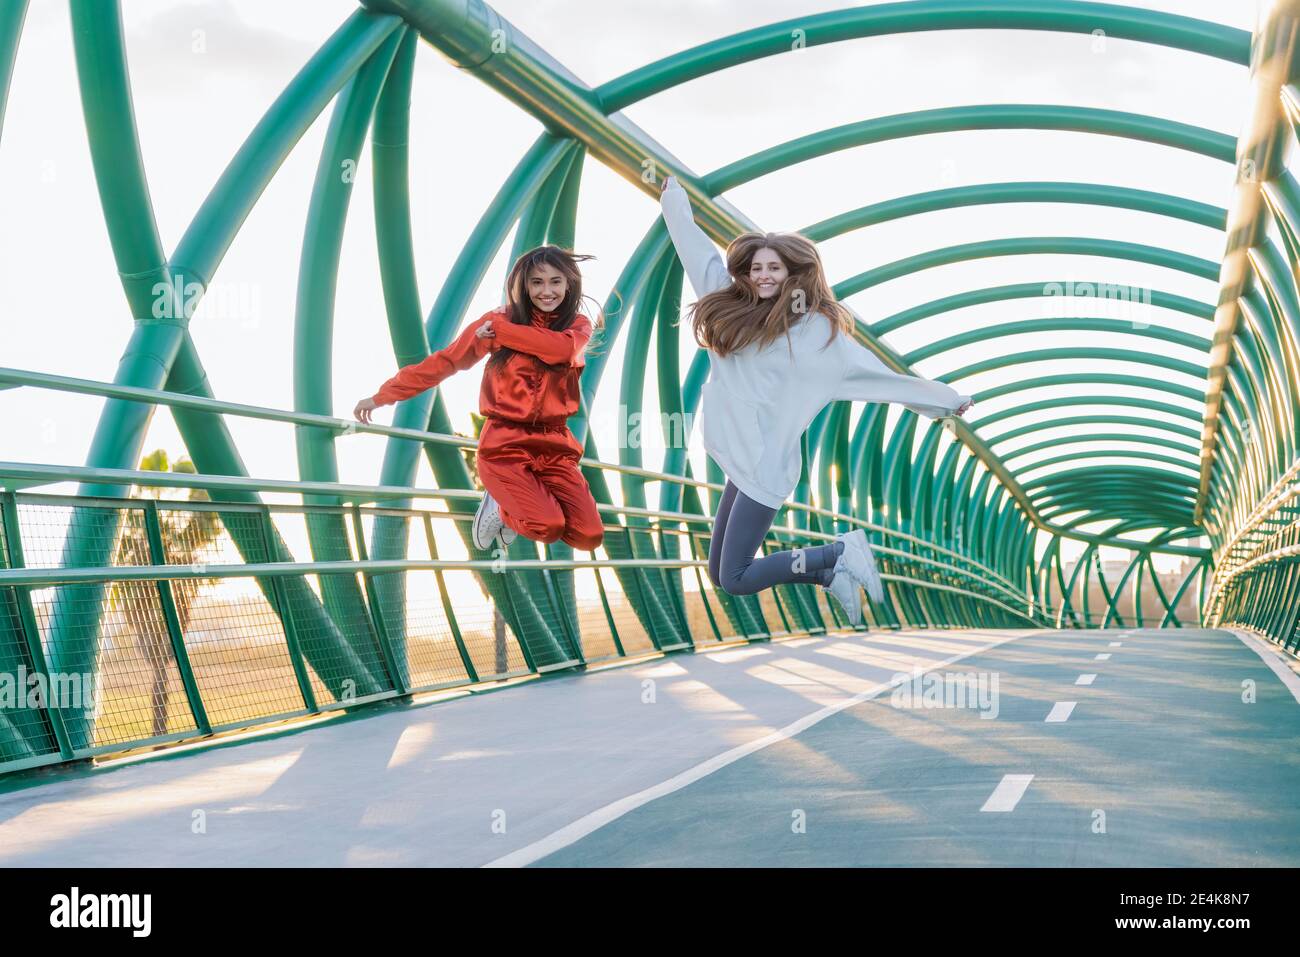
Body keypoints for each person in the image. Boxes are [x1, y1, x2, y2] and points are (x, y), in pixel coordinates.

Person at [659, 175, 975, 625]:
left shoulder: (818, 334)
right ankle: (829, 575)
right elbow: (695, 249)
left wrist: (947, 400)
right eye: (756, 268)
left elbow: (883, 380)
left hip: (766, 464)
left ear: (794, 273)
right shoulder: (728, 308)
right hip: (738, 458)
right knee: (718, 571)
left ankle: (839, 551)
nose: (764, 276)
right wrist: (672, 197)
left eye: (774, 268)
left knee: (736, 576)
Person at [354, 246, 604, 553]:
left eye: (555, 281)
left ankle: (510, 507)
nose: (547, 290)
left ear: (569, 284)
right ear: (523, 285)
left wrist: (501, 333)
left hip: (556, 446)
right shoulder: (499, 318)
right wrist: (382, 396)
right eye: (537, 282)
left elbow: (561, 351)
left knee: (589, 535)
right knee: (548, 526)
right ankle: (502, 507)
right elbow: (445, 362)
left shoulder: (575, 326)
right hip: (506, 445)